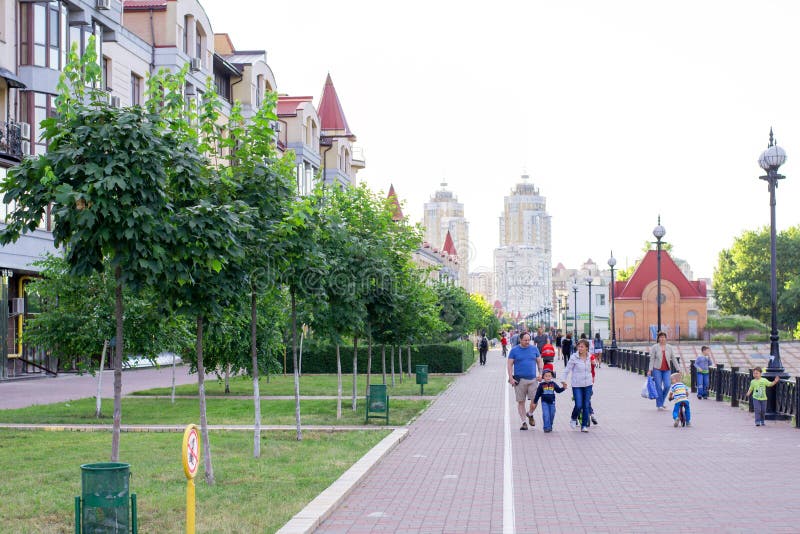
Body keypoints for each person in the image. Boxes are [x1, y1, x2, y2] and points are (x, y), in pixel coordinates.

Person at [507, 331, 543, 430]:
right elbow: (509, 365)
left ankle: (530, 413)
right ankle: (523, 422)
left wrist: (540, 373)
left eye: (529, 340)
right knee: (521, 401)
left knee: (534, 401)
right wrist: (510, 378)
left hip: (533, 380)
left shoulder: (534, 349)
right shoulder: (514, 350)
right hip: (520, 380)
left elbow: (539, 361)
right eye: (525, 340)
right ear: (520, 340)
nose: (527, 342)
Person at [646, 331, 685, 411]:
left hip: (667, 370)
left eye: (663, 337)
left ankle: (661, 402)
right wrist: (650, 369)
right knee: (658, 387)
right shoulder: (655, 347)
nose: (662, 339)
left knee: (667, 385)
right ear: (658, 339)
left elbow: (673, 358)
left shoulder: (669, 347)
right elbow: (652, 359)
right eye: (660, 337)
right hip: (657, 369)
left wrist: (678, 369)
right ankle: (660, 405)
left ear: (666, 338)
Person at [563, 338, 593, 432]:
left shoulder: (590, 357)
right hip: (577, 385)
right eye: (579, 346)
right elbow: (567, 369)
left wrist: (594, 365)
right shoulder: (574, 357)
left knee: (586, 405)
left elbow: (592, 369)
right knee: (579, 404)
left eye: (582, 347)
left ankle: (584, 425)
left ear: (586, 348)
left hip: (588, 384)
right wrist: (563, 380)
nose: (579, 348)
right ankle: (573, 417)